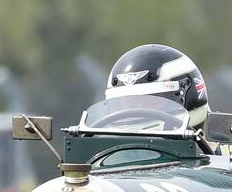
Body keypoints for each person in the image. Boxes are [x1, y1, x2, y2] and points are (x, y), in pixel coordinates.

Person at [79, 44, 211, 136]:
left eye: (150, 100)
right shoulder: (102, 158)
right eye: (129, 102)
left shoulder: (221, 159)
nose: (136, 109)